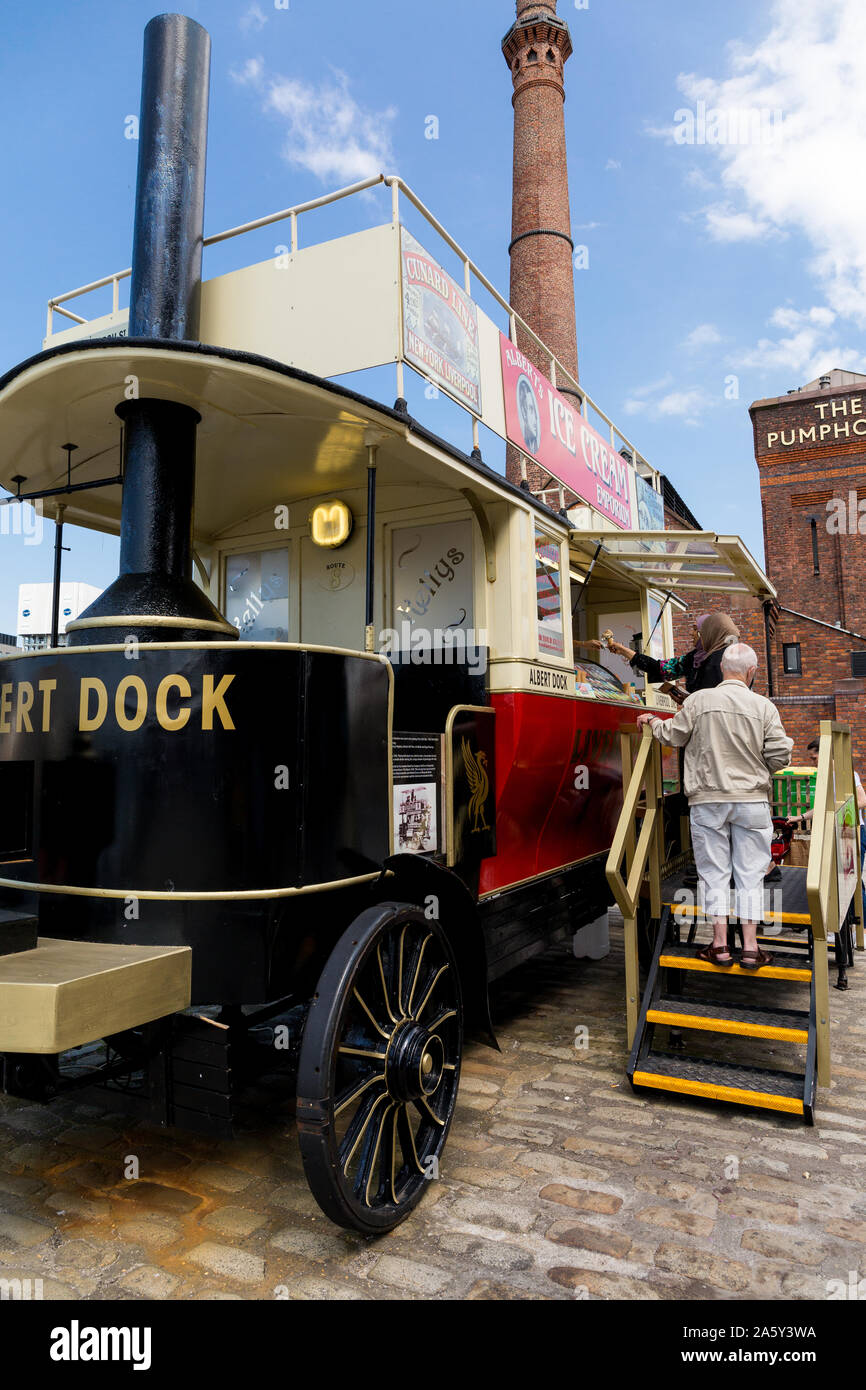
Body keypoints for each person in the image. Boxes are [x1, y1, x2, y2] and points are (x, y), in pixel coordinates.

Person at [636, 642, 793, 969]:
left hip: (708, 801)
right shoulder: (764, 707)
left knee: (713, 872)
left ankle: (719, 945)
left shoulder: (699, 701)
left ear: (722, 670)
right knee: (751, 874)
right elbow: (780, 755)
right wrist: (755, 770)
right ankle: (751, 949)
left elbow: (671, 735)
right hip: (751, 801)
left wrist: (651, 721)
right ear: (751, 673)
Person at [788, 737, 866, 925]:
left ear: (825, 755)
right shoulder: (824, 779)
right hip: (837, 835)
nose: (812, 763)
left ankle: (861, 927)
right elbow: (822, 807)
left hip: (852, 833)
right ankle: (845, 925)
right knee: (841, 883)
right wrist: (799, 818)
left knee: (851, 884)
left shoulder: (846, 773)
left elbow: (863, 800)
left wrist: (837, 814)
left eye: (814, 758)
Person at [602, 612, 739, 696]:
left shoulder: (722, 660)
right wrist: (624, 651)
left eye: (695, 629)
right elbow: (660, 668)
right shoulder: (693, 658)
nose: (692, 633)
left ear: (709, 632)